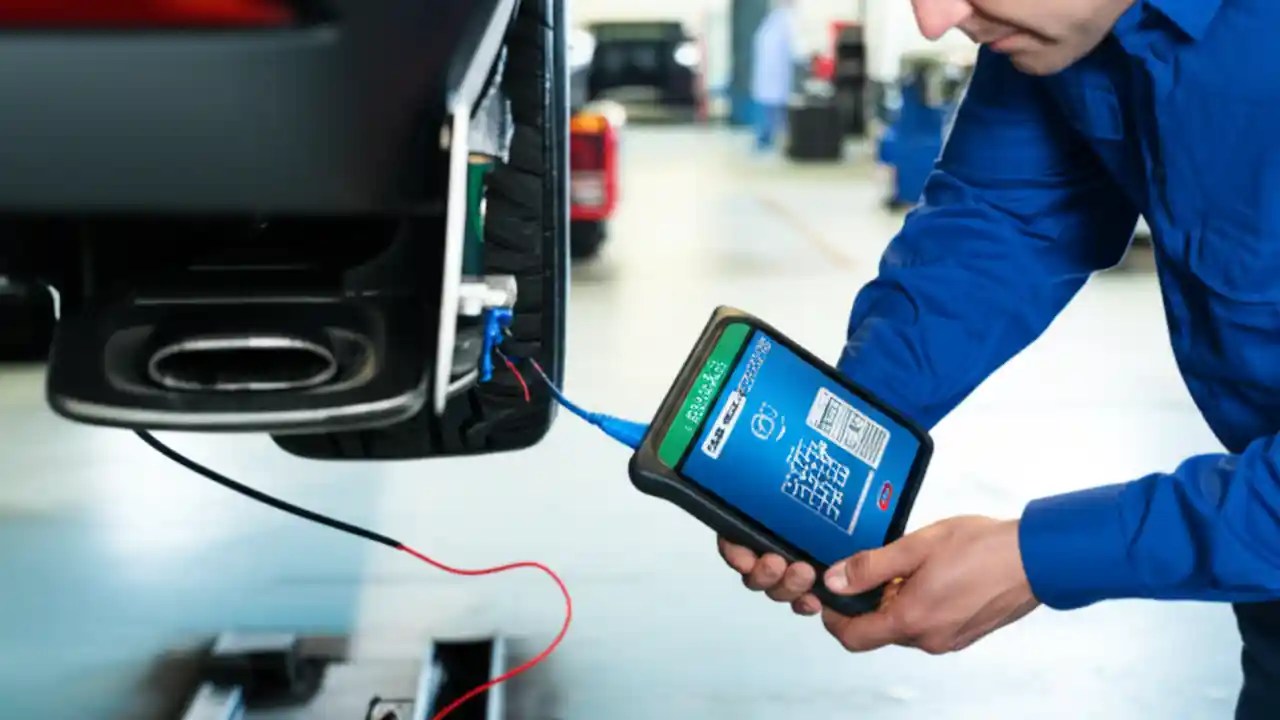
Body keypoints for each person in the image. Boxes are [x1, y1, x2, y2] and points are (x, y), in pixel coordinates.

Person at [717, 0, 1280, 717]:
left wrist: (1042, 556)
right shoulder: (1064, 27)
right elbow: (1004, 218)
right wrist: (830, 446)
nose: (934, 19)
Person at [750, 0, 799, 152]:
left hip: (774, 77)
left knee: (775, 111)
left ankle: (772, 140)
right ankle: (769, 139)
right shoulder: (779, 19)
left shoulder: (782, 20)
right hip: (772, 76)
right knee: (772, 111)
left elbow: (795, 48)